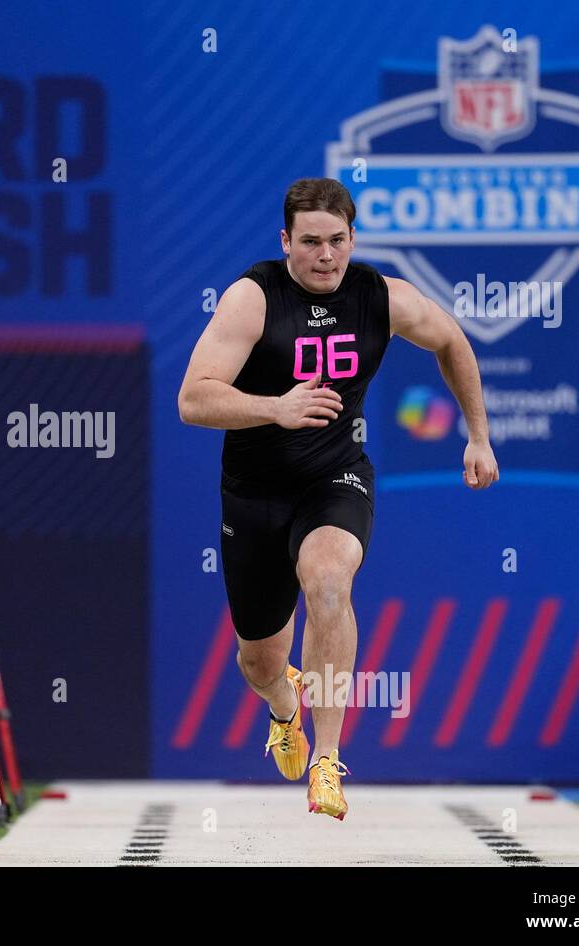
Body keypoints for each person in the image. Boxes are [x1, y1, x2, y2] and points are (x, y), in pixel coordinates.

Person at [177, 177, 498, 820]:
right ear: (286, 241)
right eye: (311, 242)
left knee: (328, 582)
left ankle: (327, 760)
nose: (326, 256)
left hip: (335, 479)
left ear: (353, 239)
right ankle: (284, 706)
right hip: (254, 494)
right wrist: (277, 406)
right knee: (259, 660)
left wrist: (478, 436)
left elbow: (452, 340)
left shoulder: (381, 297)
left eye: (338, 241)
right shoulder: (252, 298)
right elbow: (192, 399)